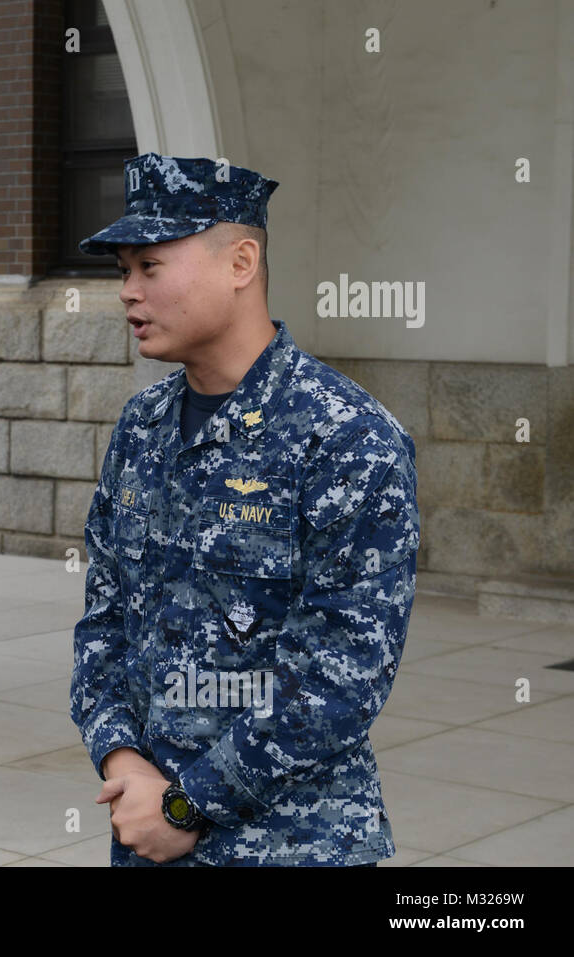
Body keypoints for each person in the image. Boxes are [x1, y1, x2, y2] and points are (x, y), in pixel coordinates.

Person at [69, 152, 419, 866]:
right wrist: (121, 757)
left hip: (292, 846)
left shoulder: (347, 437)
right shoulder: (143, 426)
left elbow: (342, 673)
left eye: (150, 266)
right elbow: (104, 620)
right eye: (121, 272)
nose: (129, 292)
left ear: (241, 261)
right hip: (146, 840)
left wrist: (186, 803)